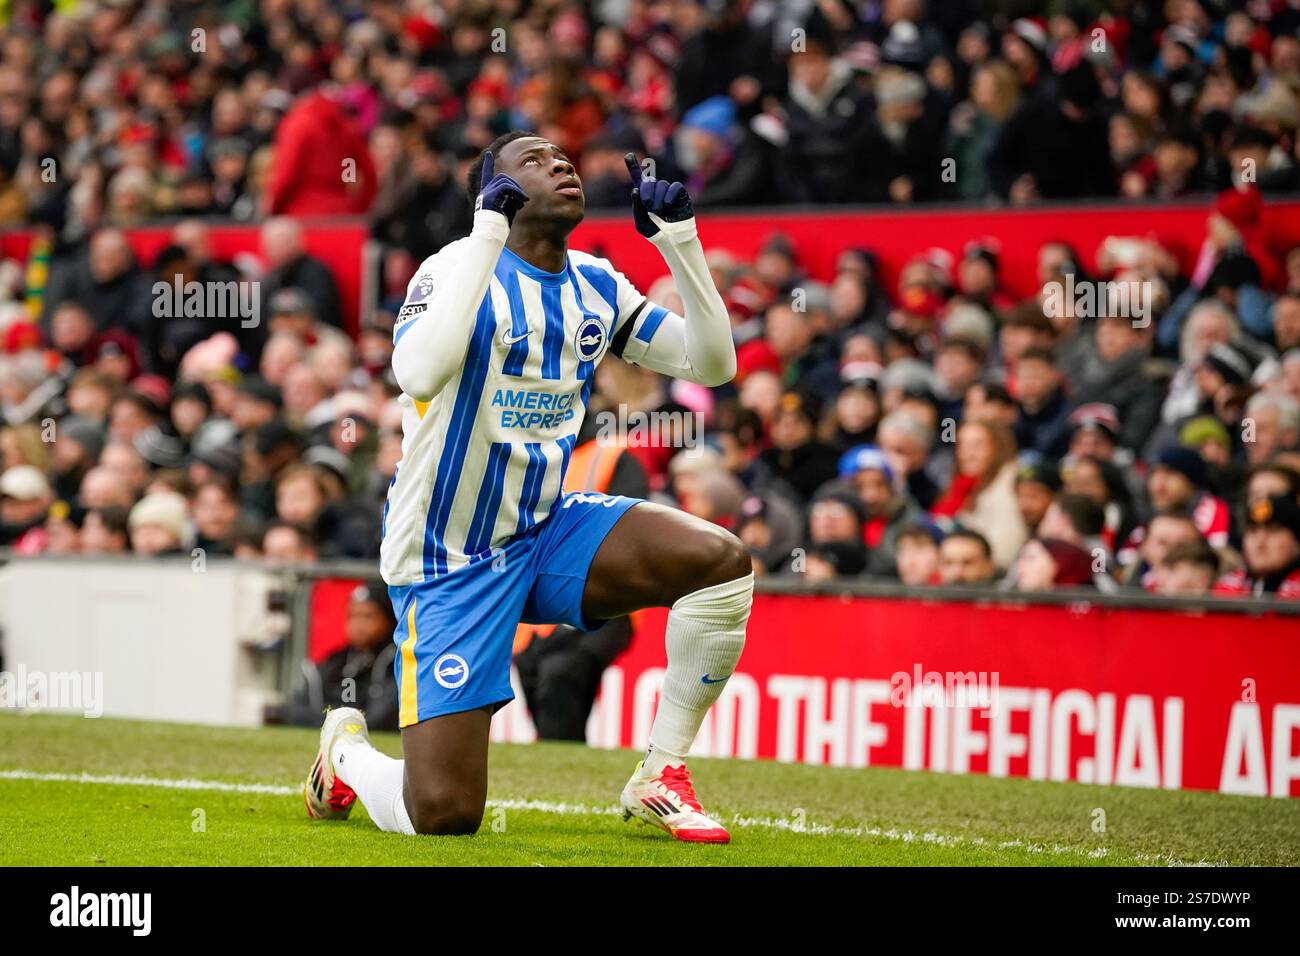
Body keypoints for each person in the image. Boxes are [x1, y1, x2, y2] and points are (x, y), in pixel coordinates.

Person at [303, 132, 750, 844]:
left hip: (544, 528)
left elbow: (712, 363)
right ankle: (348, 755)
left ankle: (661, 771)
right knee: (444, 815)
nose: (561, 164)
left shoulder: (597, 284)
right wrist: (486, 232)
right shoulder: (452, 267)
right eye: (534, 160)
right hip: (448, 556)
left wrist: (680, 243)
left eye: (564, 157)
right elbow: (418, 374)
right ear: (496, 190)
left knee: (720, 563)